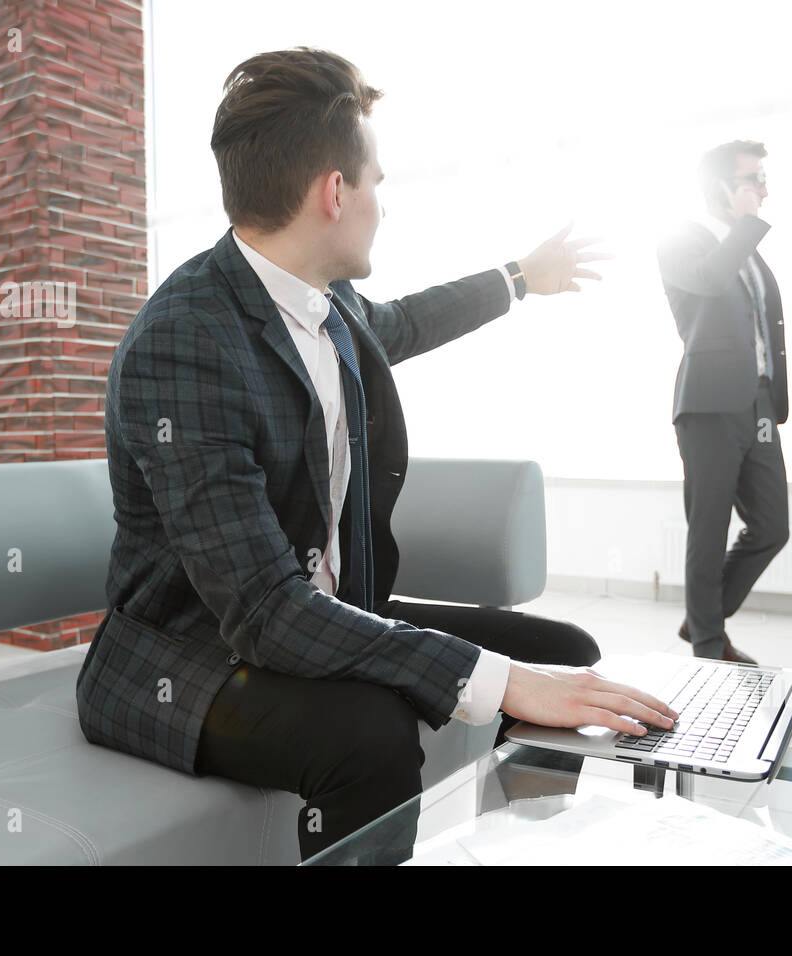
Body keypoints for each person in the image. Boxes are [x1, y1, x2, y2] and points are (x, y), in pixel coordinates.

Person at [75, 47, 677, 864]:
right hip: (192, 655)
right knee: (371, 733)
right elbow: (262, 614)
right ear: (335, 192)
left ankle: (517, 847)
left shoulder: (330, 305)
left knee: (560, 652)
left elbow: (406, 323)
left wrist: (519, 279)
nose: (383, 207)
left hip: (309, 617)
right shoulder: (185, 342)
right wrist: (492, 682)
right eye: (378, 184)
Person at [656, 140, 791, 666]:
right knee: (709, 528)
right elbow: (709, 282)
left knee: (772, 526)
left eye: (762, 178)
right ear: (717, 187)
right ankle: (710, 647)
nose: (760, 189)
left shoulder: (745, 248)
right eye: (749, 180)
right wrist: (746, 224)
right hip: (709, 404)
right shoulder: (681, 240)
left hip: (758, 404)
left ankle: (702, 619)